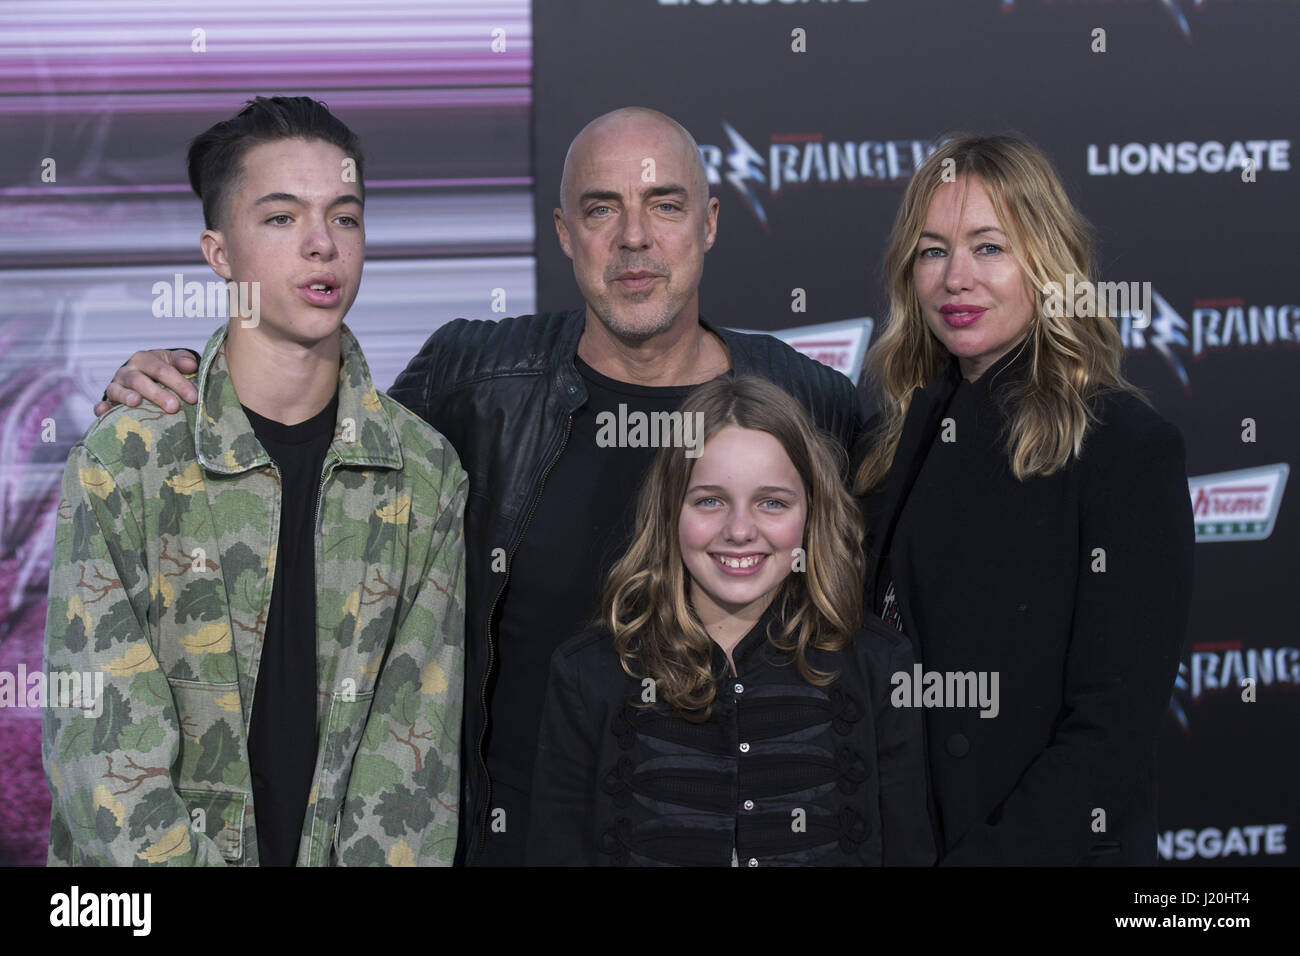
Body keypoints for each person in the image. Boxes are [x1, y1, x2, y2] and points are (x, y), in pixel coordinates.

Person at [89, 107, 863, 865]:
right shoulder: (477, 382)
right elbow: (315, 431)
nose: (635, 237)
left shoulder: (808, 403)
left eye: (665, 205)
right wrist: (185, 377)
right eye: (602, 208)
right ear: (564, 232)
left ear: (710, 222)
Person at [43, 96, 467, 866]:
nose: (321, 246)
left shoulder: (425, 472)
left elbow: (414, 767)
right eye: (280, 218)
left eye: (345, 217)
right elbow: (104, 752)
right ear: (218, 253)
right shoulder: (127, 459)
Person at [854, 134, 1194, 865]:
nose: (956, 279)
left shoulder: (1123, 447)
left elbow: (1113, 731)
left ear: (1047, 263)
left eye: (990, 247)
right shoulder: (895, 441)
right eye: (933, 250)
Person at [526, 376, 933, 866]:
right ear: (670, 511)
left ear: (812, 513)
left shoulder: (880, 666)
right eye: (710, 500)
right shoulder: (587, 675)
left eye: (773, 503)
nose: (740, 530)